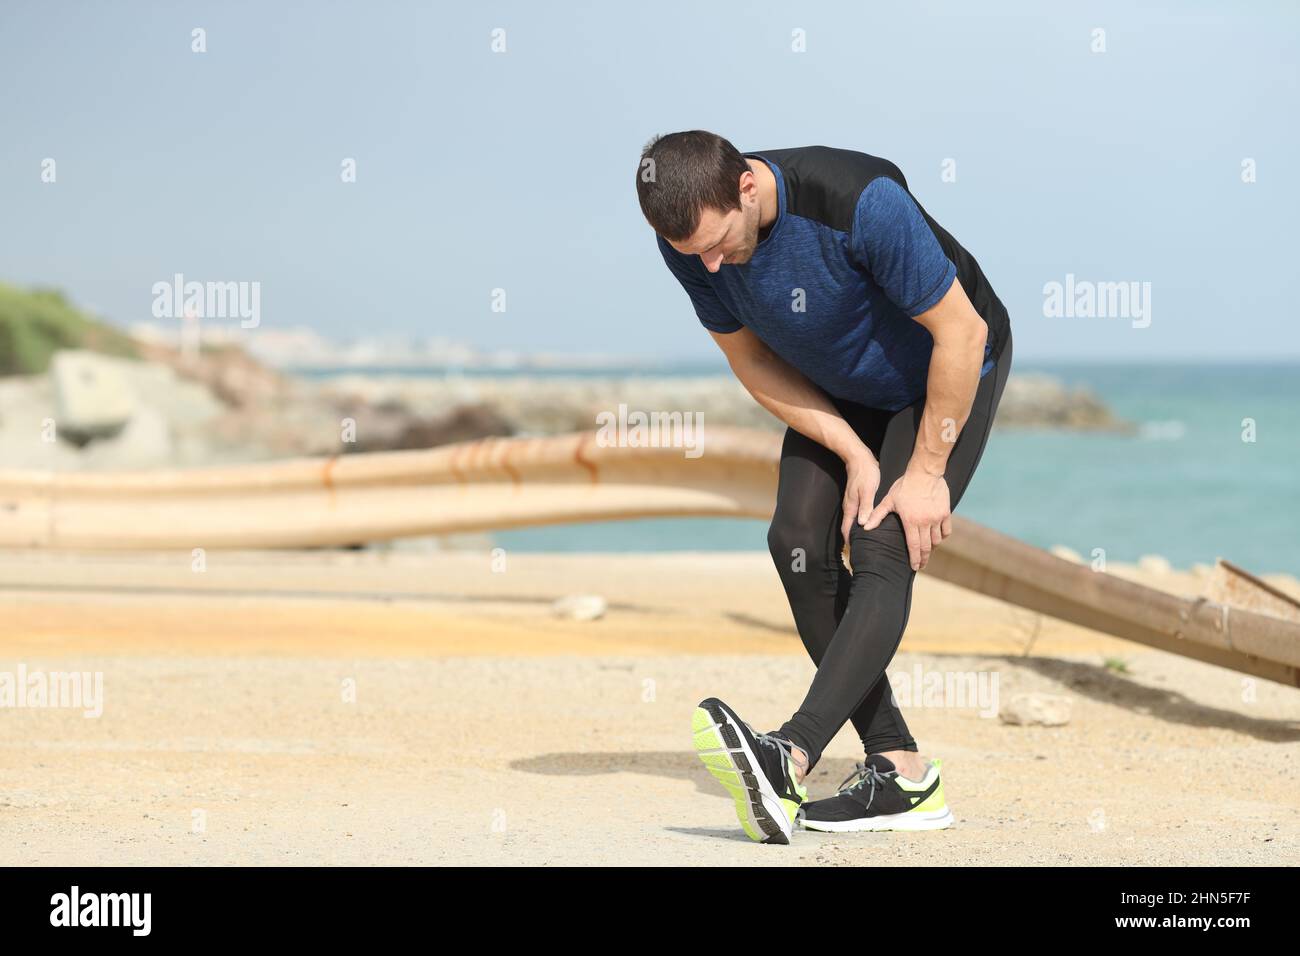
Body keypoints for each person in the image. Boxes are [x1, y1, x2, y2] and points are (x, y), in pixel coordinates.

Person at [636, 131, 1013, 843]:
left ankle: (791, 752)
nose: (711, 266)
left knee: (881, 541)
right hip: (844, 392)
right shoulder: (687, 241)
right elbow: (751, 362)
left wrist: (925, 471)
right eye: (695, 256)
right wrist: (852, 451)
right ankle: (900, 771)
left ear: (747, 186)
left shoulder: (859, 202)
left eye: (718, 244)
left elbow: (960, 334)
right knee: (797, 543)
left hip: (945, 373)